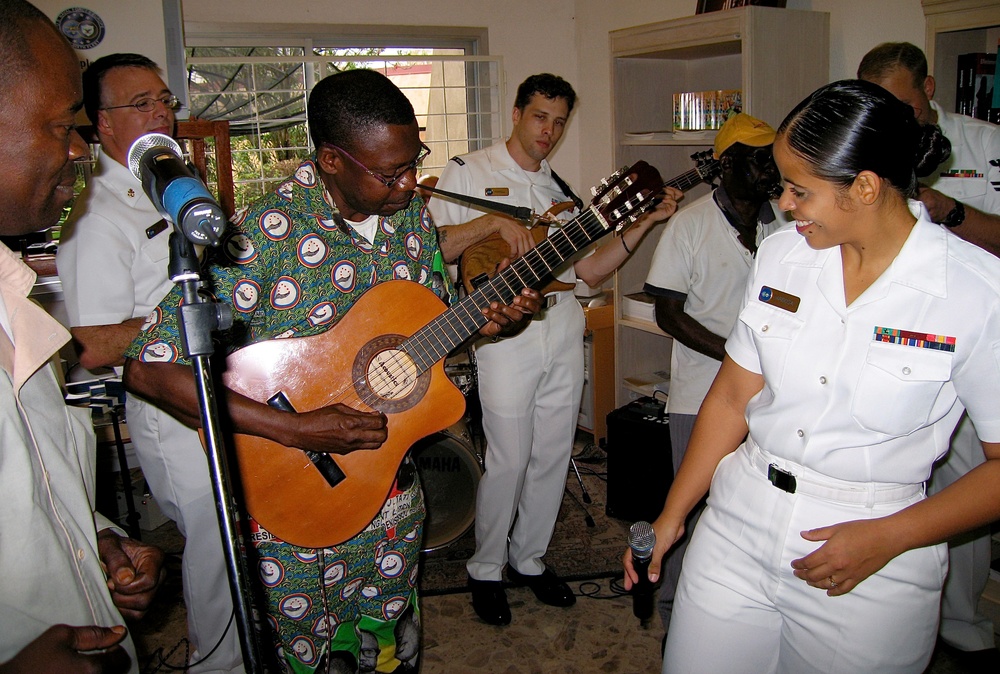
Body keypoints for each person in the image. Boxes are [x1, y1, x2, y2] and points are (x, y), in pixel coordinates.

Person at [123, 68, 541, 673]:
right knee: (307, 660)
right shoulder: (259, 237)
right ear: (331, 160)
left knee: (390, 652)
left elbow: (422, 337)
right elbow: (149, 369)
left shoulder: (410, 220)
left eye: (412, 161)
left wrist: (490, 320)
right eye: (389, 172)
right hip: (292, 504)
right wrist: (298, 430)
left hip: (391, 497)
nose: (407, 184)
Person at [625, 79, 1000, 674]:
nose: (786, 202)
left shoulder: (974, 291)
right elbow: (731, 396)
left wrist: (892, 536)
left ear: (867, 187)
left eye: (801, 189)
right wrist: (675, 512)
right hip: (738, 523)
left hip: (870, 549)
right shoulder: (783, 257)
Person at [429, 73, 678, 626]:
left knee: (551, 454)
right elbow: (437, 252)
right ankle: (485, 568)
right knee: (510, 457)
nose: (550, 131)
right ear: (517, 112)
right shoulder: (468, 173)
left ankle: (530, 559)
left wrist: (642, 224)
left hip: (563, 327)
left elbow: (589, 268)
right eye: (541, 116)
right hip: (504, 337)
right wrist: (489, 223)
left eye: (560, 121)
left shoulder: (564, 193)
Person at [56, 53, 244, 673]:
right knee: (214, 539)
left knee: (242, 528)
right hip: (165, 401)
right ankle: (214, 663)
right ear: (101, 124)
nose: (161, 111)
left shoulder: (173, 185)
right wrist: (177, 325)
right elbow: (92, 341)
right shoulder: (96, 214)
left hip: (219, 385)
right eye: (141, 104)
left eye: (164, 100)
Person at [0, 2, 164, 672]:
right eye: (65, 125)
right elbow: (96, 343)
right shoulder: (98, 213)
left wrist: (94, 536)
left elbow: (28, 479)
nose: (77, 150)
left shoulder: (10, 294)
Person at [859, 41, 1000, 668]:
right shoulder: (871, 144)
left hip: (974, 332)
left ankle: (962, 620)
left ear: (930, 88)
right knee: (909, 473)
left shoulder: (984, 143)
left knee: (970, 482)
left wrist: (952, 213)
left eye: (904, 102)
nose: (893, 114)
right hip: (901, 334)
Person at [642, 112, 786, 633]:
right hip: (702, 396)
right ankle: (677, 615)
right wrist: (738, 358)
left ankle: (737, 613)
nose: (768, 168)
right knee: (689, 509)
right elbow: (668, 312)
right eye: (756, 158)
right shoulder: (691, 225)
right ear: (725, 165)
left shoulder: (786, 225)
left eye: (772, 156)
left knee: (748, 509)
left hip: (774, 399)